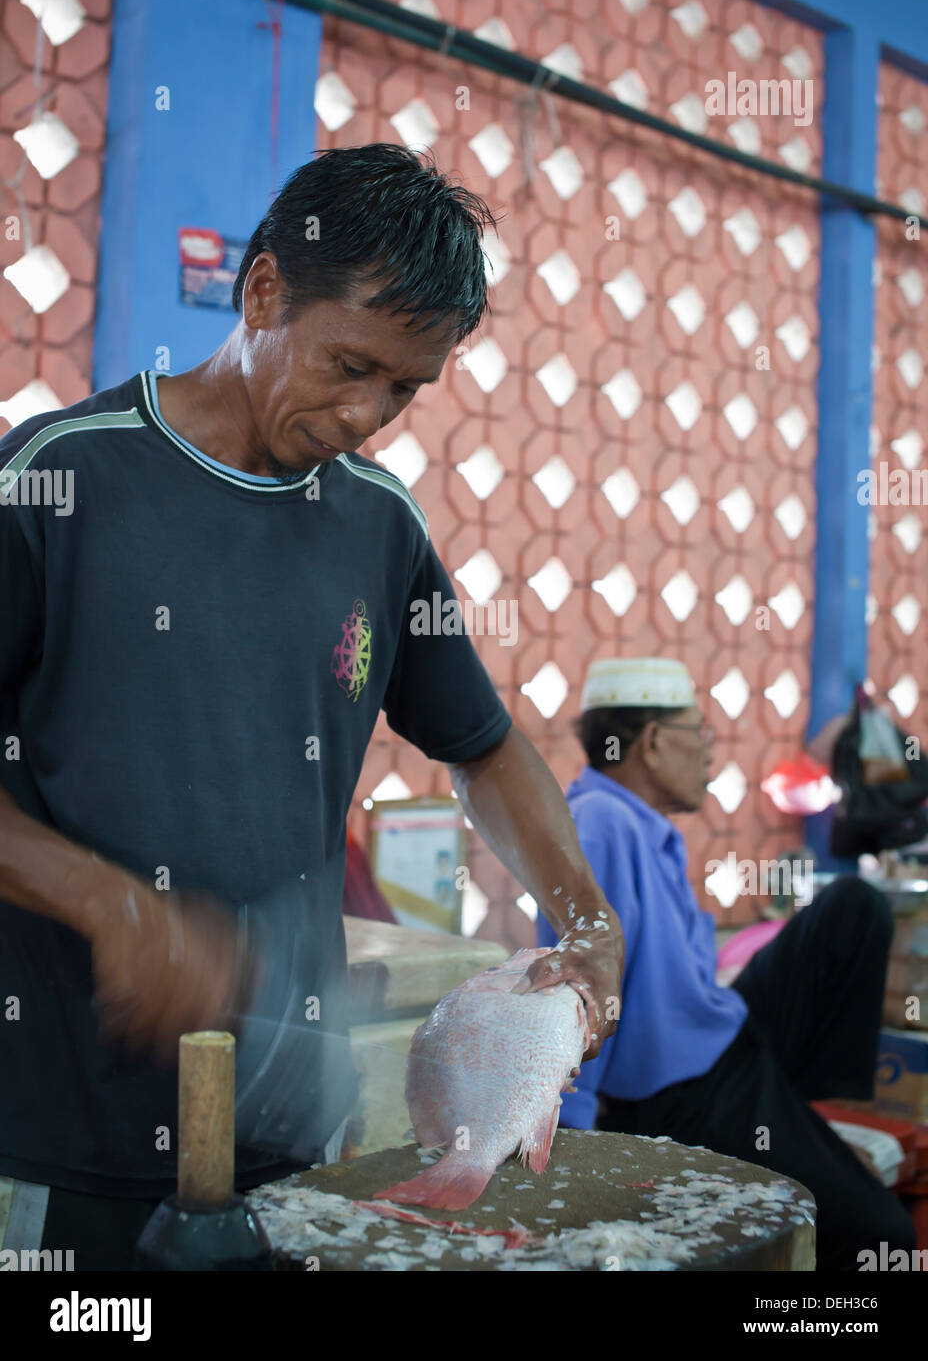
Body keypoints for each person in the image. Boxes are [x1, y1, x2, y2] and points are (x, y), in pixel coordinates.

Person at [0, 143, 624, 1269]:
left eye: (403, 388)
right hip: (61, 1117)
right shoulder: (58, 481)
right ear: (264, 291)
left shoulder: (378, 525)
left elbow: (481, 752)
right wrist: (111, 906)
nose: (366, 413)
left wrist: (581, 913)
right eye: (349, 364)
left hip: (285, 1110)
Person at [537, 656, 917, 1272]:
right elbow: (579, 985)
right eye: (700, 735)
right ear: (654, 743)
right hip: (691, 1091)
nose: (711, 755)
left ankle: (801, 1116)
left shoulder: (642, 824)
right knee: (882, 1241)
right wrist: (574, 1144)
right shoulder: (602, 824)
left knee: (853, 907)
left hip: (726, 1038)